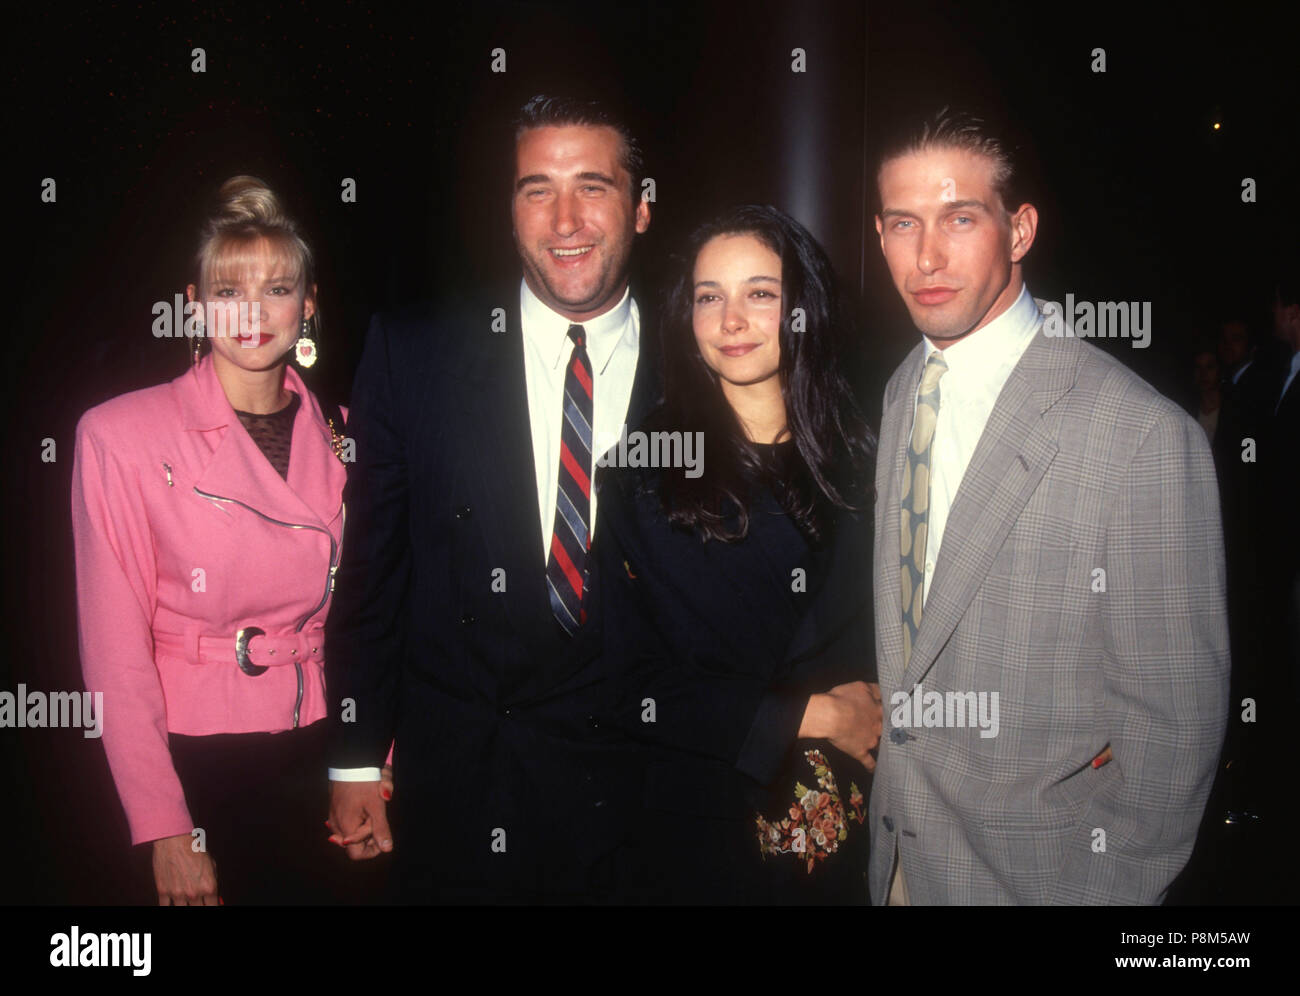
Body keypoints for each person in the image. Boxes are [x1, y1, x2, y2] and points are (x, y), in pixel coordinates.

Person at [868, 108, 1230, 904]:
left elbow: (1173, 741)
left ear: (1020, 230)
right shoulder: (901, 390)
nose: (925, 254)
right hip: (898, 864)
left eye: (960, 218)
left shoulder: (1141, 436)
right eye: (903, 223)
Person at [325, 94, 659, 902]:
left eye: (594, 186)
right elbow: (371, 572)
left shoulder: (709, 361)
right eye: (536, 189)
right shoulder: (416, 355)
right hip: (464, 794)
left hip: (641, 800)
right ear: (511, 210)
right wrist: (356, 755)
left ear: (642, 208)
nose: (565, 219)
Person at [72, 175, 353, 904]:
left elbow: (378, 612)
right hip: (192, 767)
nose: (254, 313)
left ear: (309, 303)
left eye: (278, 288)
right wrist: (166, 830)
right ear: (193, 308)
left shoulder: (352, 434)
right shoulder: (119, 435)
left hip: (325, 749)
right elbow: (112, 651)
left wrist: (372, 757)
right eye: (228, 292)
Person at [595, 205, 882, 904]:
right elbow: (622, 682)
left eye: (760, 293)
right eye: (707, 297)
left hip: (863, 817)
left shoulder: (868, 450)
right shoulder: (642, 472)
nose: (731, 320)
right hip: (705, 827)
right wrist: (802, 715)